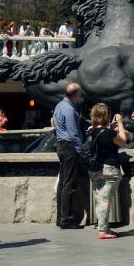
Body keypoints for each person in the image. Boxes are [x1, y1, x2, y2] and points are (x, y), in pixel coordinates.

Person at [86, 103, 127, 240]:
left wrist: (111, 127)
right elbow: (122, 141)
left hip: (94, 170)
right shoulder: (109, 133)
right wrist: (120, 123)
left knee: (100, 200)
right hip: (109, 170)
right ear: (106, 116)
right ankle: (103, 230)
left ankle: (104, 227)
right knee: (105, 200)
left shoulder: (90, 132)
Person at [53, 82, 86, 230]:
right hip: (69, 147)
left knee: (62, 183)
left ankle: (61, 217)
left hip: (61, 145)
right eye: (80, 94)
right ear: (76, 95)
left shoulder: (59, 106)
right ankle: (66, 219)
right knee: (69, 184)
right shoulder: (70, 109)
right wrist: (81, 151)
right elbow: (73, 133)